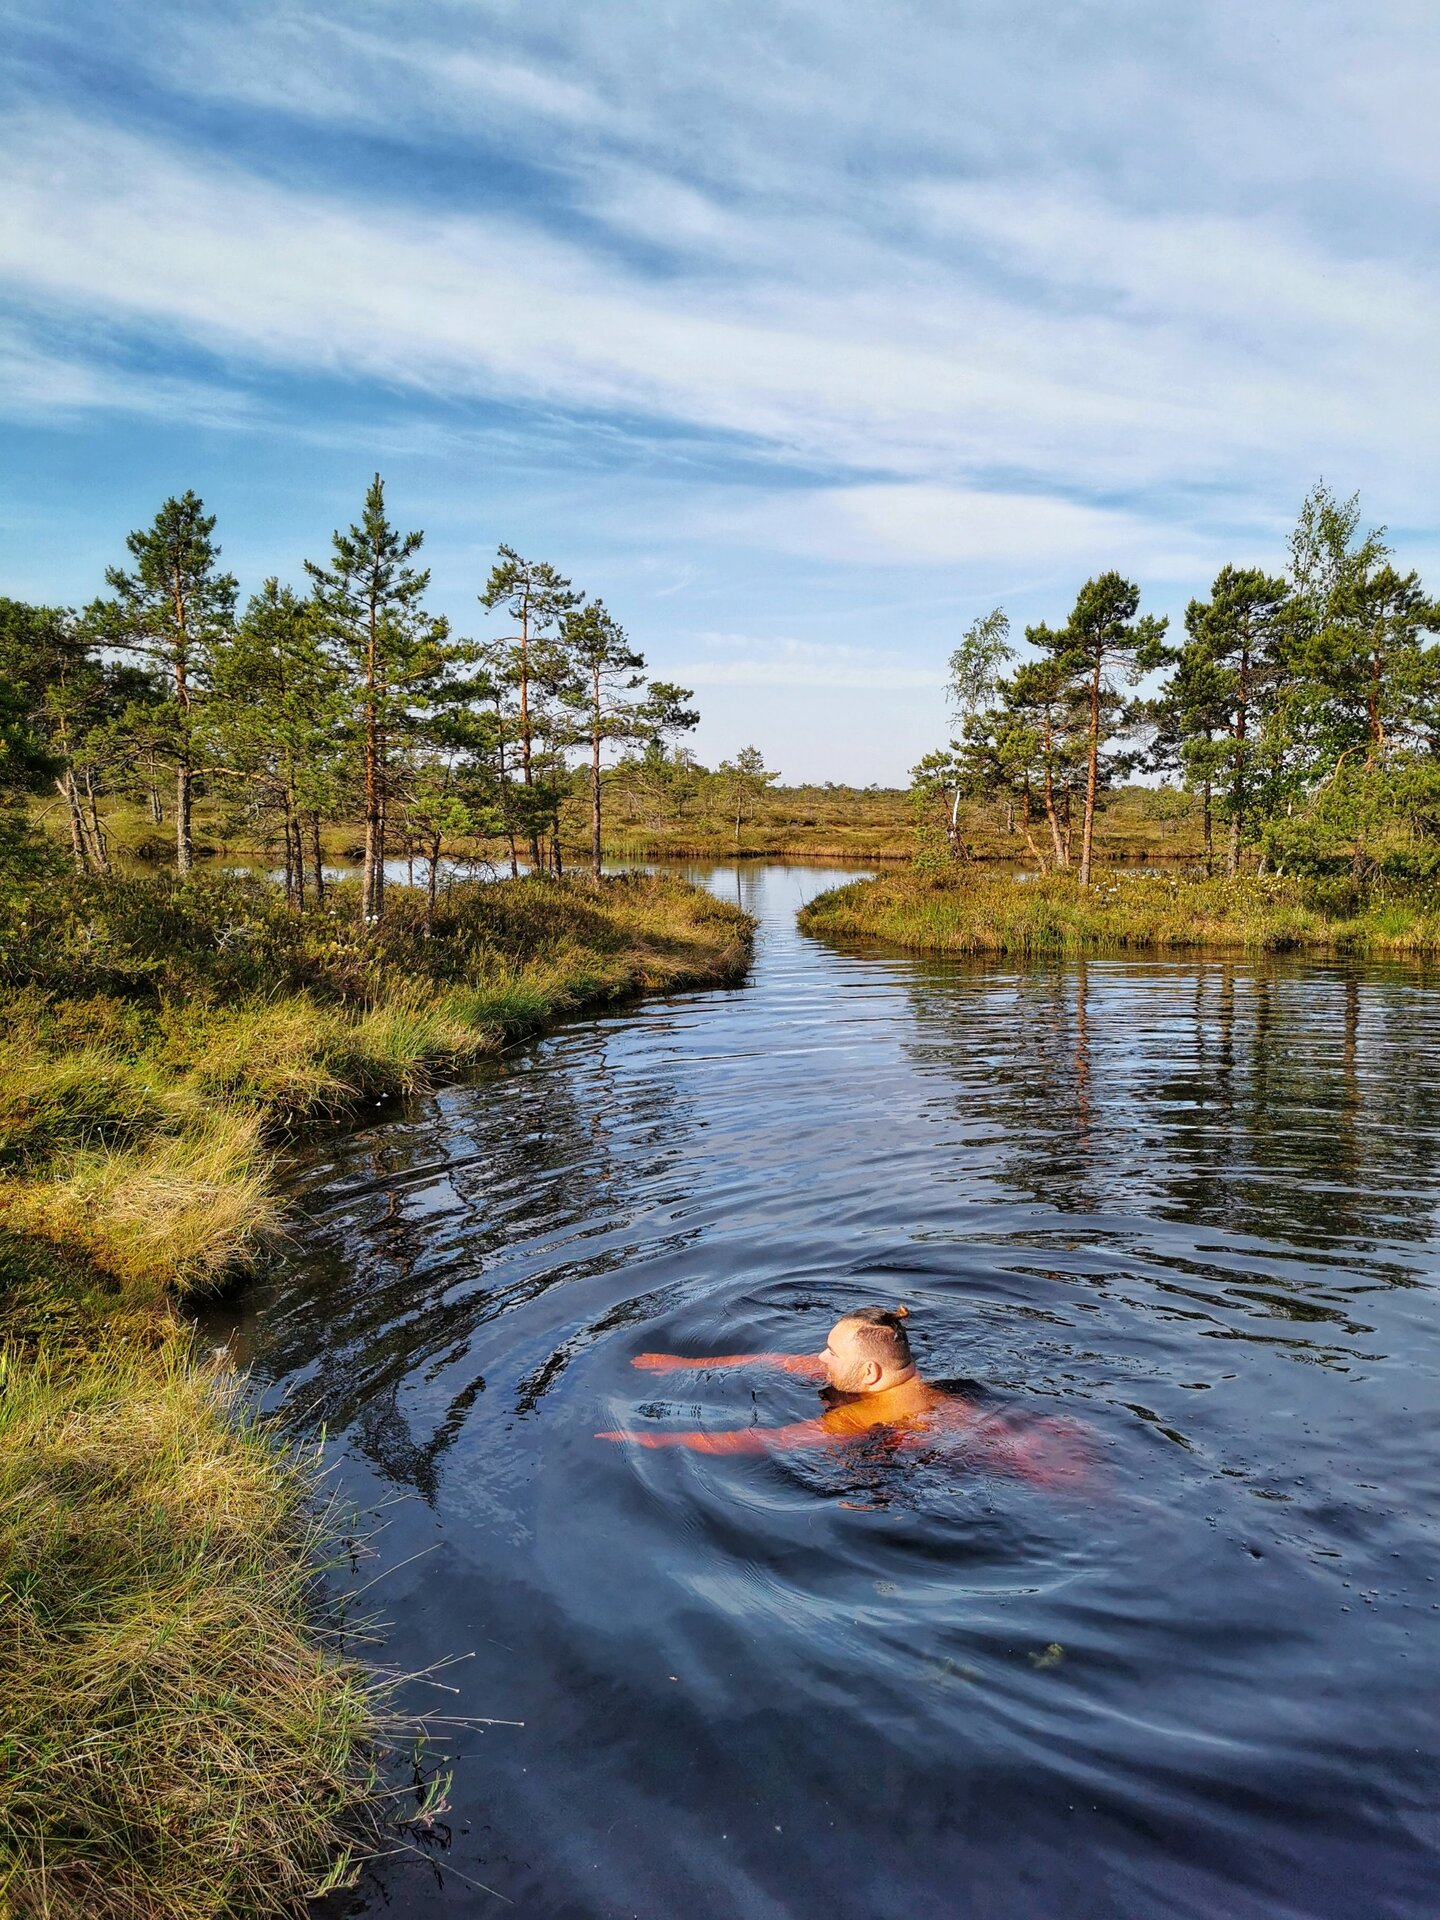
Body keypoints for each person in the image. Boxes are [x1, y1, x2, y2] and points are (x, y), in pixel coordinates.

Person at [597, 1306, 1088, 1486]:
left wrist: (656, 1439)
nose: (820, 1358)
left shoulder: (867, 1417)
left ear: (870, 1373)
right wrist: (686, 1365)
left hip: (1022, 1466)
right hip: (1046, 1435)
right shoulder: (908, 1382)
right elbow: (784, 1363)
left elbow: (764, 1440)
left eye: (831, 1352)